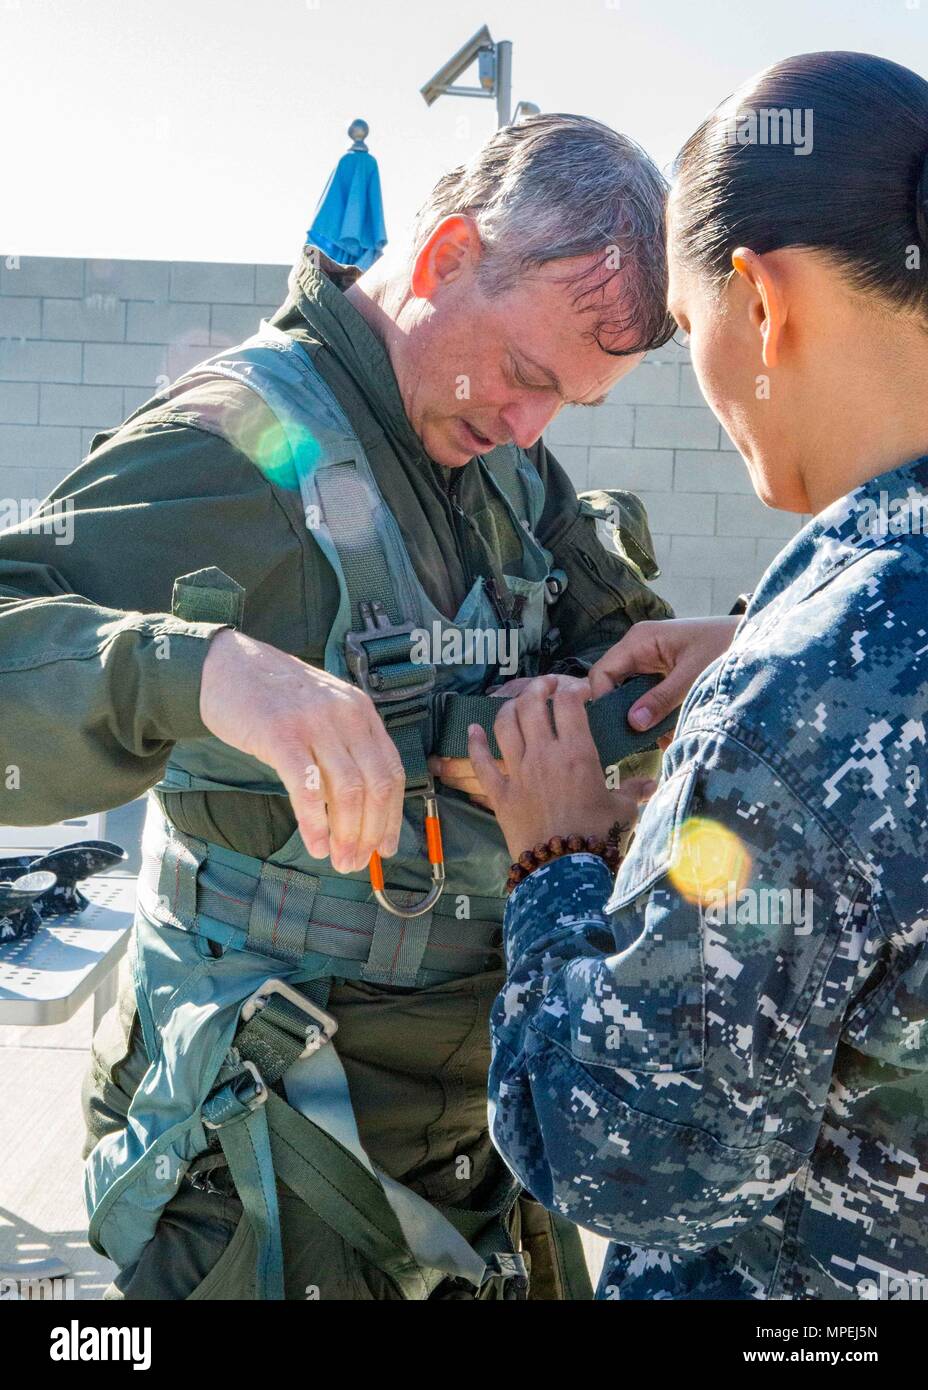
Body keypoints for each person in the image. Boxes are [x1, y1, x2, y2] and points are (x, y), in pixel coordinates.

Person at [0, 114, 677, 1299]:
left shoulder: (499, 454)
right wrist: (194, 669)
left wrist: (605, 728)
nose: (532, 427)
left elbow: (613, 646)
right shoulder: (233, 446)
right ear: (445, 256)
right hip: (269, 1172)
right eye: (526, 377)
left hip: (474, 1154)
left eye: (569, 401)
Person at [473, 51, 928, 1301]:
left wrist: (553, 861)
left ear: (760, 302)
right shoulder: (827, 667)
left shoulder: (806, 697)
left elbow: (640, 1152)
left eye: (685, 331)